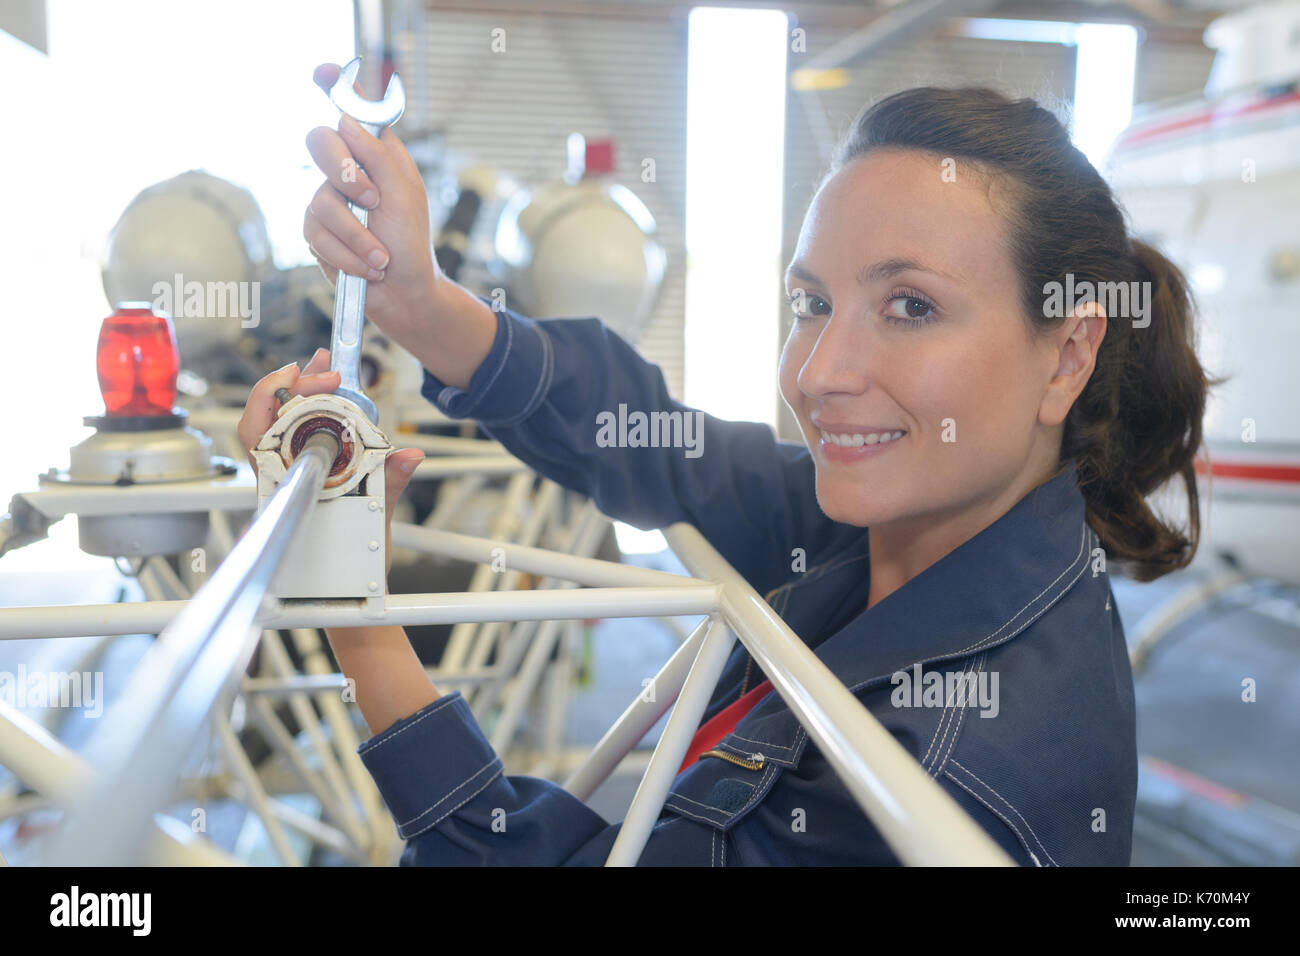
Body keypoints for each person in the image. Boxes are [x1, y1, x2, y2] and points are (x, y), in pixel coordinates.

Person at [238, 75, 1214, 865]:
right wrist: (416, 301)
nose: (820, 373)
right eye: (811, 302)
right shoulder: (902, 524)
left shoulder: (942, 774)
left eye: (910, 305)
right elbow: (650, 438)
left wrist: (355, 620)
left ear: (1066, 354)